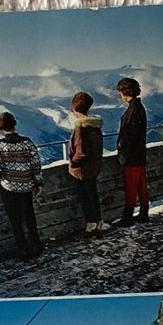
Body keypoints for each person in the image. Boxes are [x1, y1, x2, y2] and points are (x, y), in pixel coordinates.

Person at [0, 112, 43, 260]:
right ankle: (36, 246)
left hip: (8, 187)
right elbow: (36, 164)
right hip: (26, 186)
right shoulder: (27, 142)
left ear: (0, 128)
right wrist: (37, 182)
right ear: (15, 124)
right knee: (29, 217)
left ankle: (23, 249)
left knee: (14, 219)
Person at [67, 91, 108, 236]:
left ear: (74, 108)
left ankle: (91, 225)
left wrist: (72, 163)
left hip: (82, 170)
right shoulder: (95, 126)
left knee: (86, 198)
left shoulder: (81, 128)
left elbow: (81, 151)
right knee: (93, 195)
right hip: (94, 167)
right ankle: (98, 222)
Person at [115, 77, 149, 226]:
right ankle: (143, 213)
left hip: (132, 156)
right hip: (139, 154)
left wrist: (123, 153)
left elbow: (129, 135)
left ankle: (127, 217)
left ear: (124, 92)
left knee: (131, 187)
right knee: (141, 186)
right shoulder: (138, 107)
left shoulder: (132, 110)